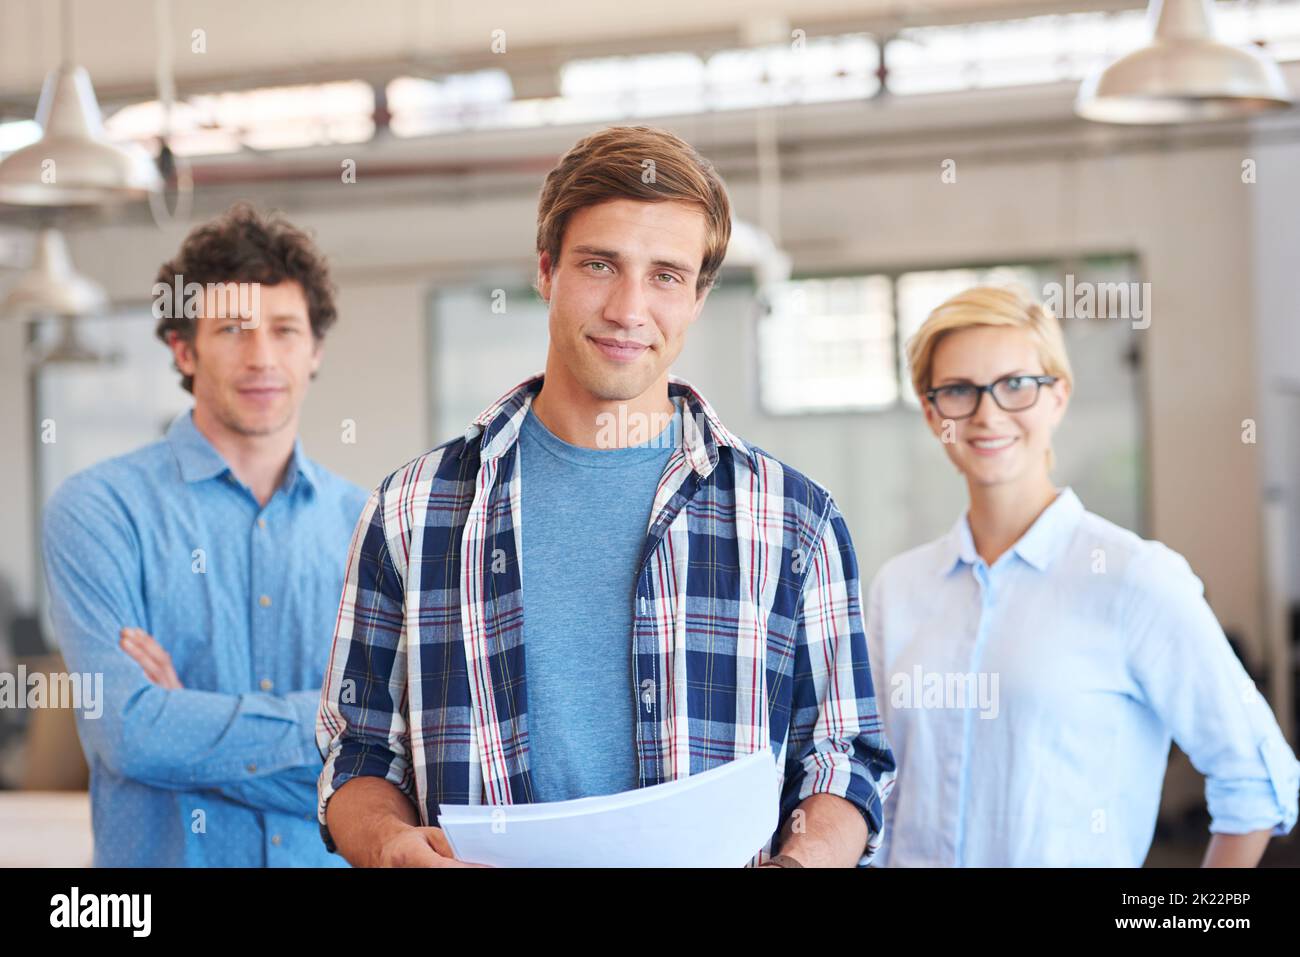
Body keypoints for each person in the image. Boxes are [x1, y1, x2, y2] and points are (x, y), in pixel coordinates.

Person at [317, 125, 895, 868]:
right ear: (546, 269)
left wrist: (799, 863)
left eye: (665, 275)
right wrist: (394, 847)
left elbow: (843, 759)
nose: (629, 308)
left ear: (697, 297)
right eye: (599, 264)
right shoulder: (412, 511)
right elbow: (359, 751)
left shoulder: (794, 522)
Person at [867, 284, 1300, 866]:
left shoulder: (1135, 580)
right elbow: (873, 781)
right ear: (931, 411)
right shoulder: (899, 588)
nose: (987, 413)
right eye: (959, 391)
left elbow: (1257, 779)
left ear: (1058, 397)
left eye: (1016, 385)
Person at [42, 203, 367, 866]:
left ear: (316, 351)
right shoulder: (99, 511)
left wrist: (184, 715)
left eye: (284, 329)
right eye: (233, 330)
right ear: (183, 349)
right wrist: (328, 731)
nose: (262, 357)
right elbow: (128, 735)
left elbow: (401, 754)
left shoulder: (372, 527)